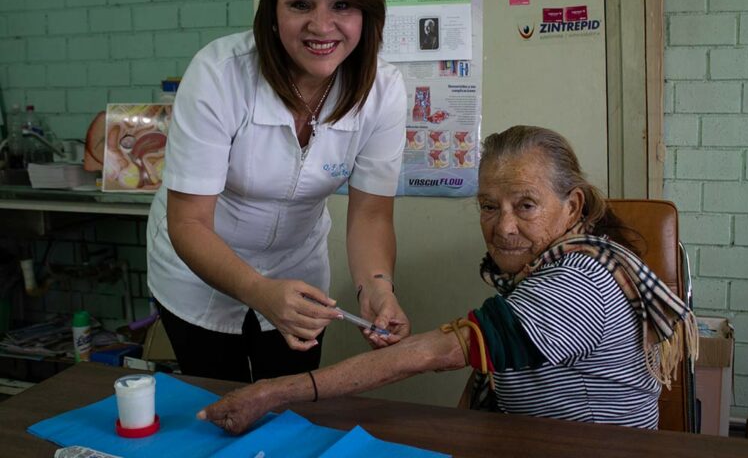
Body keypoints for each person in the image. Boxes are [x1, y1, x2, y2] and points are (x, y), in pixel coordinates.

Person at [197, 125, 698, 433]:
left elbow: (442, 352)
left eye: (525, 205)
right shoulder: (554, 262)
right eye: (487, 206)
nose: (502, 227)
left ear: (573, 206)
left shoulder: (576, 281)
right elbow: (480, 362)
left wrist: (274, 391)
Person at [146, 0, 411, 384]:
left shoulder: (382, 91)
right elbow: (188, 223)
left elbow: (370, 215)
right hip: (197, 265)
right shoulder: (219, 75)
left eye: (342, 5)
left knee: (290, 399)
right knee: (218, 399)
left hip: (297, 267)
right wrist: (258, 291)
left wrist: (377, 286)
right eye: (300, 4)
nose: (321, 25)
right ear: (272, 11)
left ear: (366, 14)